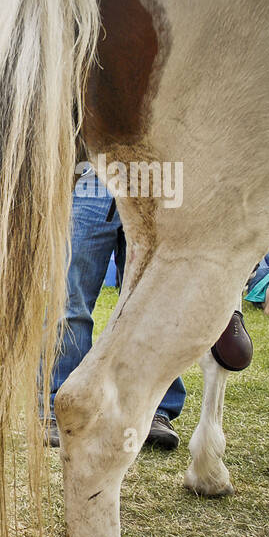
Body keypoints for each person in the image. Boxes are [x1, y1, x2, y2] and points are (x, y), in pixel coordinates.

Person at [46, 164, 185, 450]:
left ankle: (155, 409)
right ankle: (55, 407)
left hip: (152, 179)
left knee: (153, 305)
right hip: (88, 180)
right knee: (70, 301)